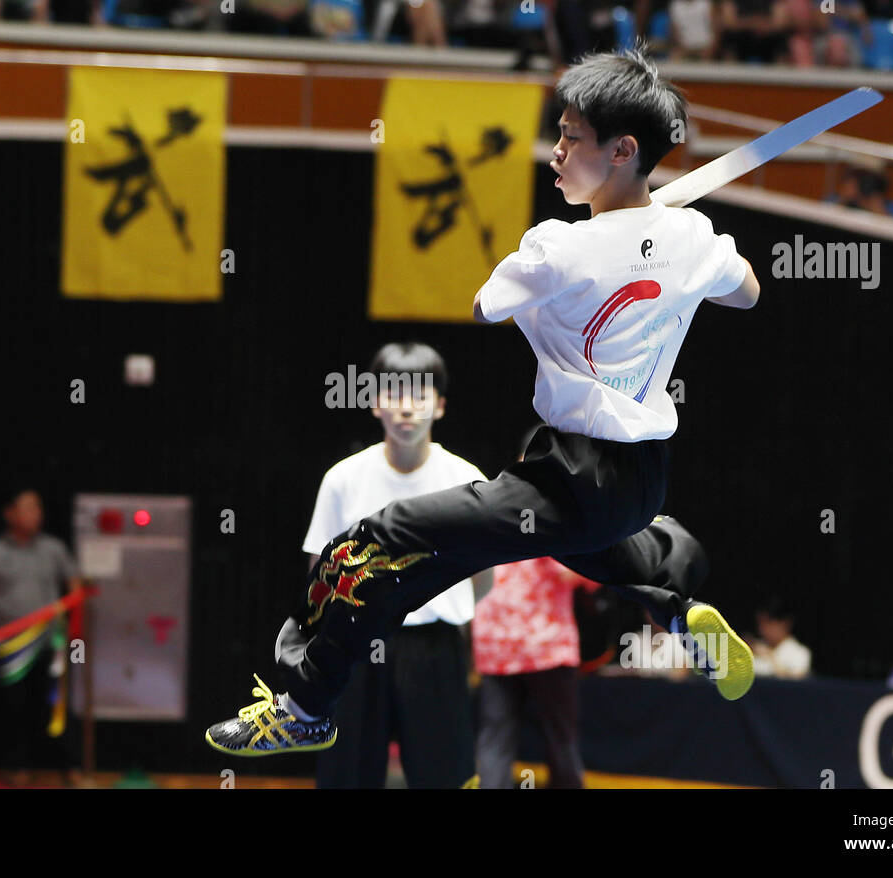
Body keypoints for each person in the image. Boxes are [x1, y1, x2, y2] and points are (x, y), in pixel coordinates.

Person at [205, 48, 759, 757]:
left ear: (623, 150)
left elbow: (484, 306)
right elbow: (747, 288)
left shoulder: (557, 247)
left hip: (576, 476)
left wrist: (609, 240)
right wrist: (668, 241)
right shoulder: (692, 237)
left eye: (570, 140)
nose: (555, 153)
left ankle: (306, 706)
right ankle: (678, 604)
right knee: (600, 541)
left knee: (376, 544)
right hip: (639, 479)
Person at [303, 342, 490, 789]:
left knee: (446, 774)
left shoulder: (466, 481)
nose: (407, 408)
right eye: (394, 393)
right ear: (373, 402)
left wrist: (449, 616)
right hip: (355, 646)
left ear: (440, 405)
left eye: (420, 394)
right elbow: (319, 574)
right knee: (347, 773)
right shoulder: (343, 478)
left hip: (435, 648)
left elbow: (485, 579)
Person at [472, 430, 603, 790]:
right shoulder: (567, 510)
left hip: (500, 642)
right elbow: (588, 578)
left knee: (496, 742)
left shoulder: (489, 499)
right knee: (560, 744)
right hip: (541, 644)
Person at [0, 488, 83, 786]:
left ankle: (70, 769)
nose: (34, 513)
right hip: (11, 648)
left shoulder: (54, 548)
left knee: (56, 707)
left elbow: (74, 586)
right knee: (13, 709)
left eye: (37, 507)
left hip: (49, 644)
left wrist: (73, 628)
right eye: (27, 507)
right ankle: (17, 767)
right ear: (10, 513)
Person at [751, 596, 812, 678]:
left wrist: (769, 656)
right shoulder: (755, 647)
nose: (762, 628)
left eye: (769, 622)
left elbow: (795, 683)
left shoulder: (800, 653)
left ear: (785, 623)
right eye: (760, 623)